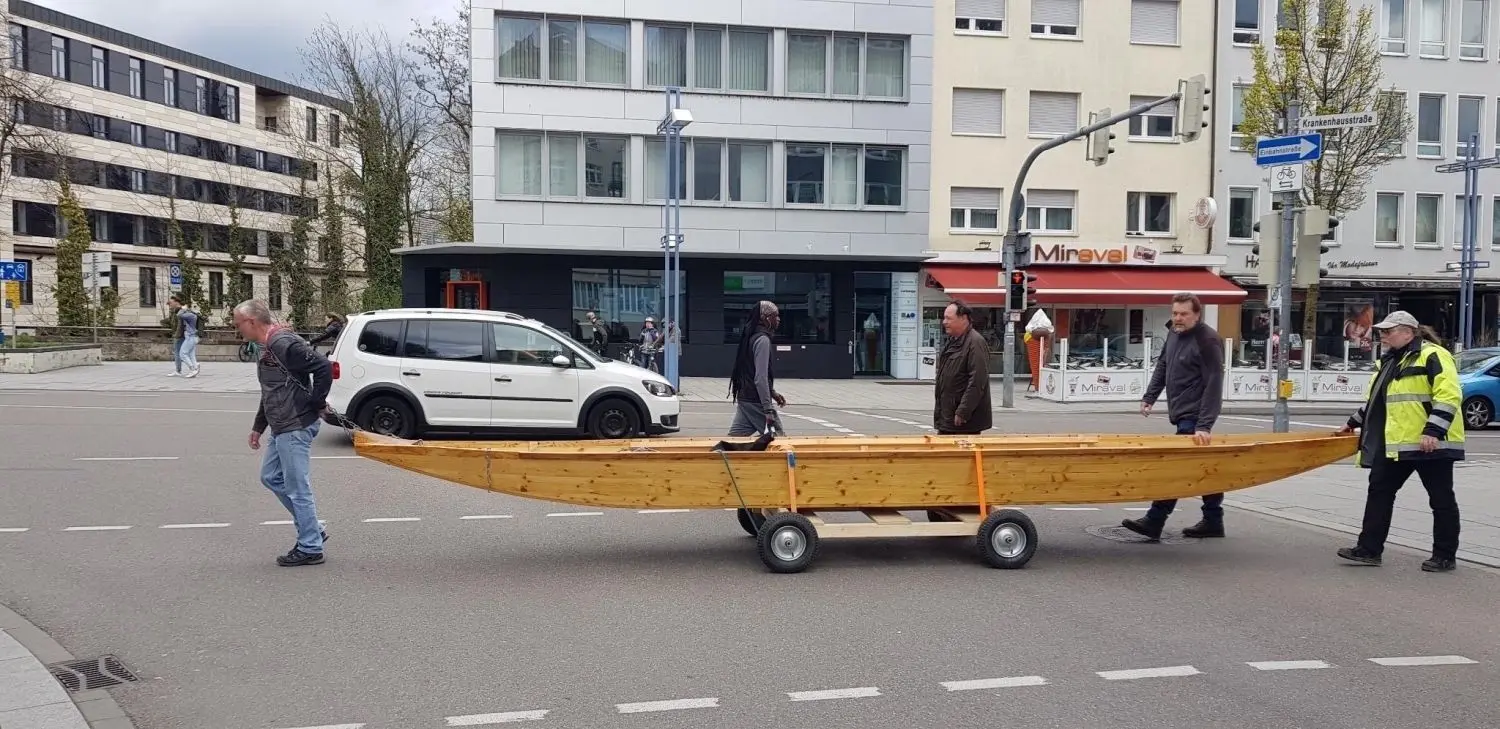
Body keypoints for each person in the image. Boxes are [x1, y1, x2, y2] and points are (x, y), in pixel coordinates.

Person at [1335, 311, 1463, 573]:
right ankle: (1369, 550)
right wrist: (1352, 422)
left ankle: (1444, 556)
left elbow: (1449, 396)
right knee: (1379, 492)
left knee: (1441, 500)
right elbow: (1379, 402)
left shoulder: (1433, 355)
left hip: (1430, 444)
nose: (1383, 335)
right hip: (1398, 444)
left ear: (1408, 332)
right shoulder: (1390, 361)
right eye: (1381, 331)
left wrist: (1433, 432)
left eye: (1388, 331)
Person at [234, 299, 335, 567]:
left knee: (298, 488)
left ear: (252, 321)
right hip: (281, 424)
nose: (236, 329)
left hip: (295, 425)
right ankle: (313, 527)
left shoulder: (282, 343)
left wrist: (316, 402)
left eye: (238, 323)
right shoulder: (264, 346)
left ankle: (310, 546)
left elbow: (323, 367)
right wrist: (259, 426)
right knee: (270, 477)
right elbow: (272, 389)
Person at [1122, 292, 1225, 541]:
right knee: (1204, 468)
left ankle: (1155, 520)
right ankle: (1213, 520)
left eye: (1184, 314)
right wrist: (1149, 397)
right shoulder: (1174, 333)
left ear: (1197, 315)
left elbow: (1214, 383)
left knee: (1176, 468)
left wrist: (1204, 425)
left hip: (1194, 416)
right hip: (1181, 412)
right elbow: (1164, 365)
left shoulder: (1208, 340)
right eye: (1175, 313)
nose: (1178, 318)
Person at [727, 300, 786, 437]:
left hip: (745, 397)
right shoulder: (762, 340)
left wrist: (773, 393)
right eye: (774, 315)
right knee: (779, 440)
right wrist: (768, 409)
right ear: (765, 318)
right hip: (755, 400)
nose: (778, 319)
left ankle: (718, 457)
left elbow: (750, 370)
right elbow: (760, 378)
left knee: (735, 440)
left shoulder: (750, 337)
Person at [932, 301, 992, 435]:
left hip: (963, 422)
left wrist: (963, 411)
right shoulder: (953, 341)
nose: (944, 322)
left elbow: (977, 381)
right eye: (944, 318)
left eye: (948, 318)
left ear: (963, 318)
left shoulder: (975, 343)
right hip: (949, 417)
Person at [167, 295, 201, 378]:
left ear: (176, 302)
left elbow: (179, 320)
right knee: (190, 353)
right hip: (189, 336)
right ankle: (195, 367)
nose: (169, 305)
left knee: (182, 354)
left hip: (188, 336)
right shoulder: (187, 313)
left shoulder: (186, 313)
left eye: (171, 303)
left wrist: (183, 309)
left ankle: (192, 369)